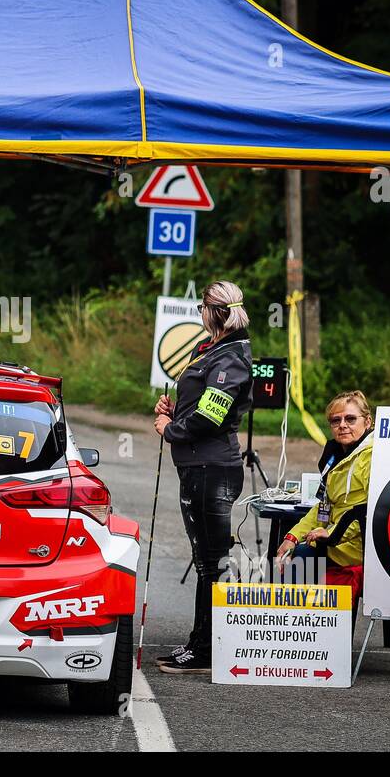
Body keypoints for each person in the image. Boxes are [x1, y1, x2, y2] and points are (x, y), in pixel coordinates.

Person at [152, 280, 253, 674]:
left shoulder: (232, 357)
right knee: (205, 560)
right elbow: (202, 404)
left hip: (213, 467)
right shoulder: (212, 348)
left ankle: (208, 649)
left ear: (214, 312)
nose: (199, 313)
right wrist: (175, 408)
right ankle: (201, 642)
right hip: (197, 465)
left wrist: (169, 429)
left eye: (201, 308)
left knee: (212, 562)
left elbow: (212, 415)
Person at [274, 391, 374, 597]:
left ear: (368, 422)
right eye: (335, 420)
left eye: (350, 419)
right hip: (336, 545)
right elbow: (324, 505)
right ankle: (298, 626)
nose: (342, 425)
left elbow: (372, 510)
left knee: (297, 562)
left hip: (359, 550)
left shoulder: (372, 457)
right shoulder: (336, 454)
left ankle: (307, 626)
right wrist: (292, 536)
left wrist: (333, 533)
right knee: (286, 555)